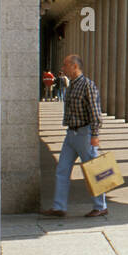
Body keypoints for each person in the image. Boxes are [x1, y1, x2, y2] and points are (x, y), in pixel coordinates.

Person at [40, 54, 107, 218]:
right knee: (62, 170)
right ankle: (59, 207)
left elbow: (95, 112)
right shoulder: (70, 86)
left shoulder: (87, 85)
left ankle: (100, 206)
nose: (62, 68)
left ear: (75, 66)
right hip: (71, 134)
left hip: (85, 134)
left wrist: (95, 135)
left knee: (93, 170)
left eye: (65, 65)